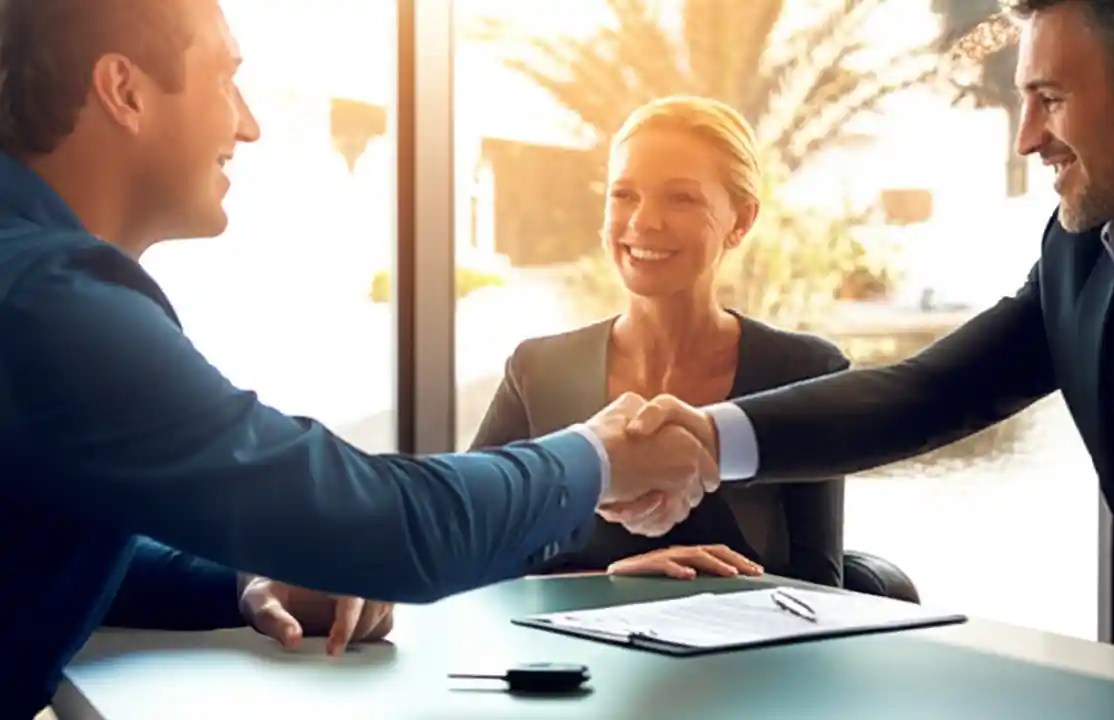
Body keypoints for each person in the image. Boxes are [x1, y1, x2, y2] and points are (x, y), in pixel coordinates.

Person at [0, 1, 710, 715]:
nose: (248, 124)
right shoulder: (51, 305)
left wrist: (243, 579)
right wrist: (601, 456)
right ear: (124, 91)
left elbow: (55, 529)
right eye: (224, 81)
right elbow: (391, 522)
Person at [626, 0, 1114, 677]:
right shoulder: (1080, 253)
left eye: (1050, 98)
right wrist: (705, 440)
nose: (1027, 138)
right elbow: (934, 392)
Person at [471, 96, 849, 586]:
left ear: (741, 221)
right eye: (624, 194)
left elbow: (823, 586)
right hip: (572, 662)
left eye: (681, 198)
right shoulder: (538, 371)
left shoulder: (806, 373)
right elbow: (466, 545)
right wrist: (610, 579)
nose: (643, 221)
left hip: (749, 658)